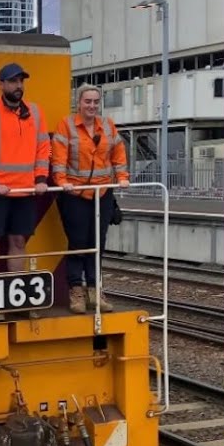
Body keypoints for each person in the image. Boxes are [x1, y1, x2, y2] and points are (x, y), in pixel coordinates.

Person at [0, 62, 50, 318]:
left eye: (21, 81)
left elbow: (43, 149)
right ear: (1, 84)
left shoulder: (35, 112)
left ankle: (18, 303)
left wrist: (41, 178)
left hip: (25, 191)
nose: (18, 86)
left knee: (18, 242)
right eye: (13, 81)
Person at [51, 84, 130, 313]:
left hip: (102, 193)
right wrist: (61, 181)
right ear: (79, 103)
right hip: (75, 193)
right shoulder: (66, 125)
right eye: (88, 101)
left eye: (96, 101)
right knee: (77, 243)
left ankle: (95, 289)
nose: (92, 106)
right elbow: (59, 157)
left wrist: (122, 177)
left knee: (98, 242)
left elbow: (118, 153)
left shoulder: (107, 125)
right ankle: (76, 290)